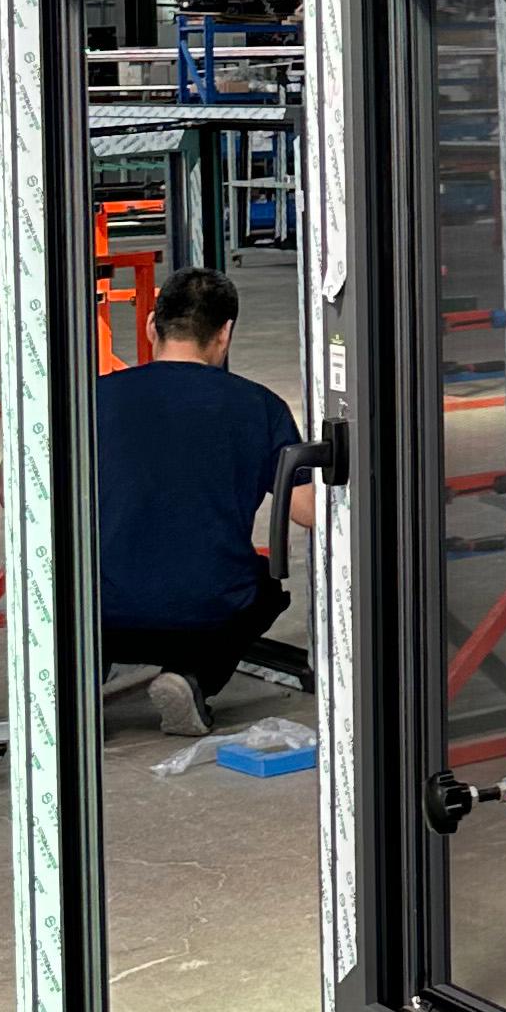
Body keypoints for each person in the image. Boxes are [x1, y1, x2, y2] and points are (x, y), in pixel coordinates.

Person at [97, 263, 315, 738]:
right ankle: (192, 677)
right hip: (204, 613)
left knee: (93, 583)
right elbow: (308, 511)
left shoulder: (94, 398)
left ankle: (82, 678)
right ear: (224, 334)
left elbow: (14, 493)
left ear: (152, 325)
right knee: (266, 587)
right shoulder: (260, 406)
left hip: (102, 610)